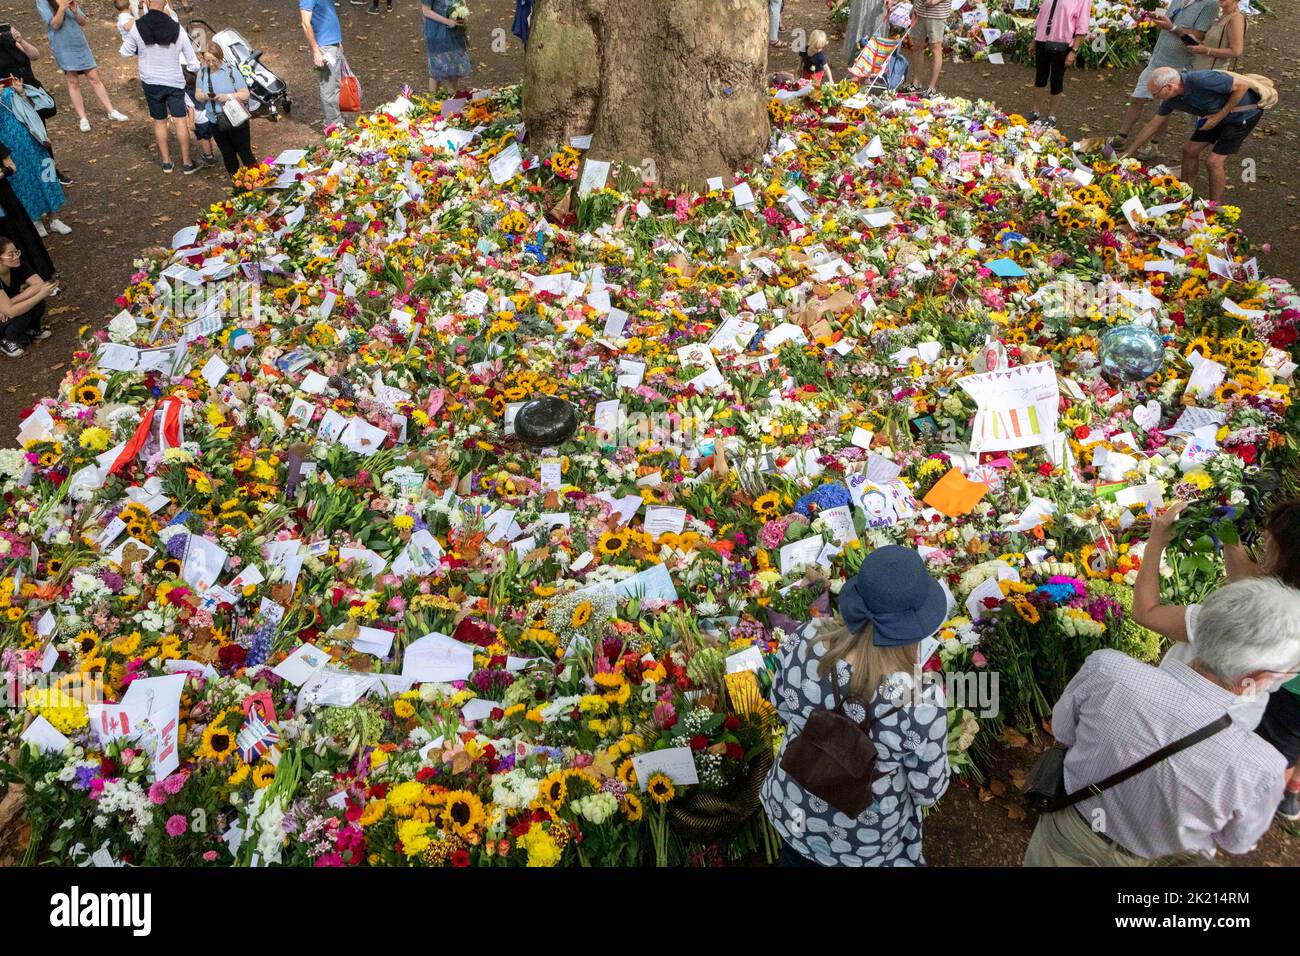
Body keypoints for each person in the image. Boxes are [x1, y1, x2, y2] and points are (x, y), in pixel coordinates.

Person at [1025, 578, 1300, 866]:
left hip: (1067, 834)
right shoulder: (1261, 766)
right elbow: (1236, 841)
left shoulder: (1106, 670)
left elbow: (1064, 732)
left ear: (1203, 627)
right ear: (1258, 677)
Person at [760, 545, 950, 866]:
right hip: (863, 840)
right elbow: (927, 790)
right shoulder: (921, 700)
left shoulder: (806, 640)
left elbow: (781, 705)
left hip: (794, 807)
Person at [1135, 498, 1300, 819]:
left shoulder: (1233, 620)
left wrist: (1155, 543)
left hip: (1176, 715)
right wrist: (1228, 538)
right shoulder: (1288, 621)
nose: (1262, 545)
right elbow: (1256, 584)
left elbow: (1147, 612)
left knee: (1154, 771)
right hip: (1235, 721)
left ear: (1286, 556)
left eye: (1269, 543)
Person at [1123, 66, 1265, 202]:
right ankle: (1185, 195)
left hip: (1242, 114)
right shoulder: (1170, 99)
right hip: (1213, 115)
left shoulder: (1202, 79)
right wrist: (1128, 153)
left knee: (1213, 162)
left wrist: (1219, 117)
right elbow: (1154, 124)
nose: (1153, 97)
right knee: (1189, 151)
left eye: (1155, 93)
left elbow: (1242, 86)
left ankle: (1214, 207)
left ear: (1169, 87)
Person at [1111, 0, 1217, 159]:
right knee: (1137, 98)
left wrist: (1172, 28)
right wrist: (1159, 19)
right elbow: (1169, 20)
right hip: (1157, 59)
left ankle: (1153, 145)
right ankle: (1121, 137)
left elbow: (1198, 36)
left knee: (1164, 107)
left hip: (1179, 65)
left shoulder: (1210, 4)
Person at [122, 0, 201, 174]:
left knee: (159, 121)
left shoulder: (138, 26)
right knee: (180, 120)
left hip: (151, 81)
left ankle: (166, 163)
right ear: (165, 2)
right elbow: (193, 64)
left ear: (147, 3)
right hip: (173, 81)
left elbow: (125, 51)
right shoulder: (177, 29)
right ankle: (187, 163)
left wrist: (142, 50)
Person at [34, 0, 130, 132]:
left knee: (94, 77)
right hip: (62, 45)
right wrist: (62, 8)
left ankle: (111, 110)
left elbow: (83, 22)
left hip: (79, 42)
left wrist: (74, 11)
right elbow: (54, 25)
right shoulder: (42, 2)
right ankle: (83, 118)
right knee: (73, 81)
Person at [0, 26, 72, 187]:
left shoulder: (11, 40)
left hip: (31, 93)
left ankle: (51, 174)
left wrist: (20, 40)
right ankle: (33, 177)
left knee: (42, 135)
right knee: (27, 140)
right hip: (13, 101)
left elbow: (35, 55)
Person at [0, 82, 69, 238]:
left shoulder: (8, 89)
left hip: (30, 138)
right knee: (21, 180)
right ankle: (35, 219)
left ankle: (54, 218)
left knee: (46, 173)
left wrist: (21, 92)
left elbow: (34, 109)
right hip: (7, 146)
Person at [194, 42, 254, 178]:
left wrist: (228, 97)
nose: (211, 64)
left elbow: (245, 93)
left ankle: (256, 181)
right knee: (227, 154)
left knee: (245, 153)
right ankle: (237, 184)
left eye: (213, 60)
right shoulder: (202, 73)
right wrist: (205, 96)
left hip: (236, 118)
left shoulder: (231, 71)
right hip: (215, 121)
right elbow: (198, 95)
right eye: (207, 60)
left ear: (220, 57)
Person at [1028, 0, 1091, 127]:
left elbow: (1082, 24)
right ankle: (1035, 111)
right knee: (1040, 76)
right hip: (1042, 40)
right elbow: (1042, 15)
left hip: (1062, 42)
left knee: (1056, 78)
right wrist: (1034, 40)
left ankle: (1052, 115)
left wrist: (1074, 50)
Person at [0, 143, 54, 281]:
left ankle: (38, 277)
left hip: (6, 202)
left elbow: (11, 166)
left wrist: (3, 172)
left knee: (21, 239)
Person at [0, 236, 55, 356]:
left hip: (6, 306)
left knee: (35, 304)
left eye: (16, 252)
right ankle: (6, 339)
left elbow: (39, 284)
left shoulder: (16, 264)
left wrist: (11, 301)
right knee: (23, 311)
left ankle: (31, 329)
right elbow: (11, 311)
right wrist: (40, 295)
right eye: (11, 254)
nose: (16, 257)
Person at [299, 0, 345, 131]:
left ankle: (337, 121)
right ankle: (333, 126)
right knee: (328, 88)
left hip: (333, 44)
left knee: (335, 85)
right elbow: (305, 24)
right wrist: (316, 50)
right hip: (324, 48)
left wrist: (338, 41)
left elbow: (328, 15)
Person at [421, 0, 471, 96]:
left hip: (455, 32)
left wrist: (464, 13)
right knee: (436, 68)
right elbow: (426, 11)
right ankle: (432, 103)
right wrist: (447, 21)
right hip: (437, 32)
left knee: (454, 67)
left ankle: (454, 102)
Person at [902, 0, 951, 95]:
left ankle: (931, 88)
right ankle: (916, 83)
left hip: (937, 14)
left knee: (935, 48)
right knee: (917, 46)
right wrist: (914, 7)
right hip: (919, 12)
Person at [1190, 0, 1246, 70]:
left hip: (1212, 73)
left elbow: (1236, 51)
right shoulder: (1223, 15)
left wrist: (1207, 50)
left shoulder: (1236, 18)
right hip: (1198, 68)